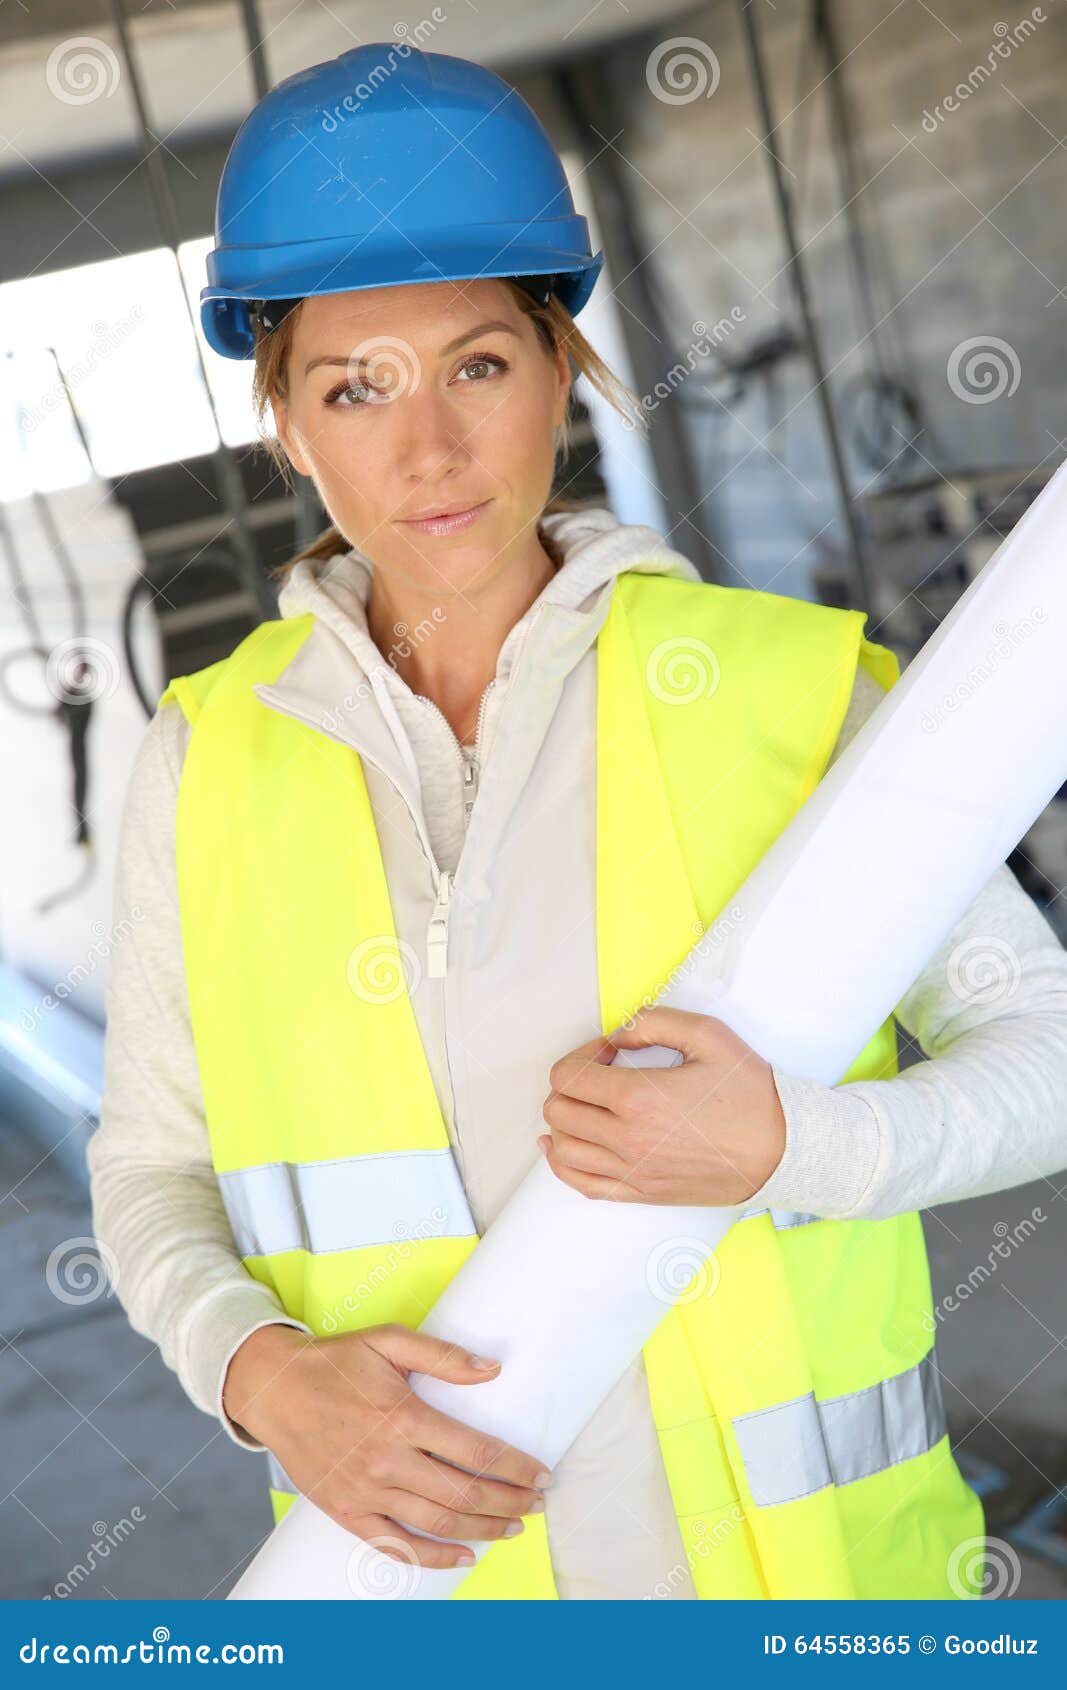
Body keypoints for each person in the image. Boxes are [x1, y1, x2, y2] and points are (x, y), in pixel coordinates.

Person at [89, 43, 1067, 1602]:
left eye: (478, 364)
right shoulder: (211, 760)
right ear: (285, 420)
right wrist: (258, 1372)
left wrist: (804, 1144)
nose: (428, 451)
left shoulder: (786, 692)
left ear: (563, 365)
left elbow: (1049, 1050)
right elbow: (150, 1168)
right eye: (356, 386)